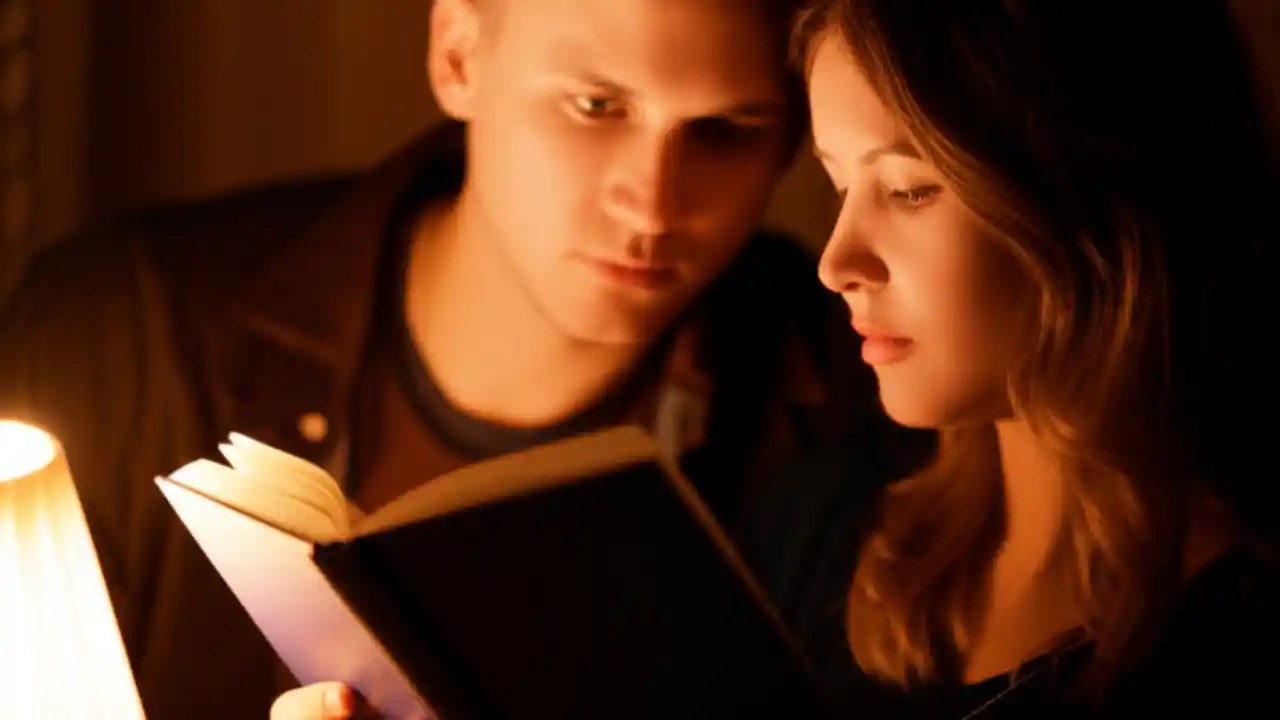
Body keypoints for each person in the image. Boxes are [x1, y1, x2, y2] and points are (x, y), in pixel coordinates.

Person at [0, 0, 887, 717]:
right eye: (596, 106)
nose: (652, 201)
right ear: (458, 54)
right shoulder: (127, 331)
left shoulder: (855, 405)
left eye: (725, 129)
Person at [743, 0, 1280, 716]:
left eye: (909, 189)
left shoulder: (1231, 638)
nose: (837, 262)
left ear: (1094, 201)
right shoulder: (825, 526)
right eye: (841, 187)